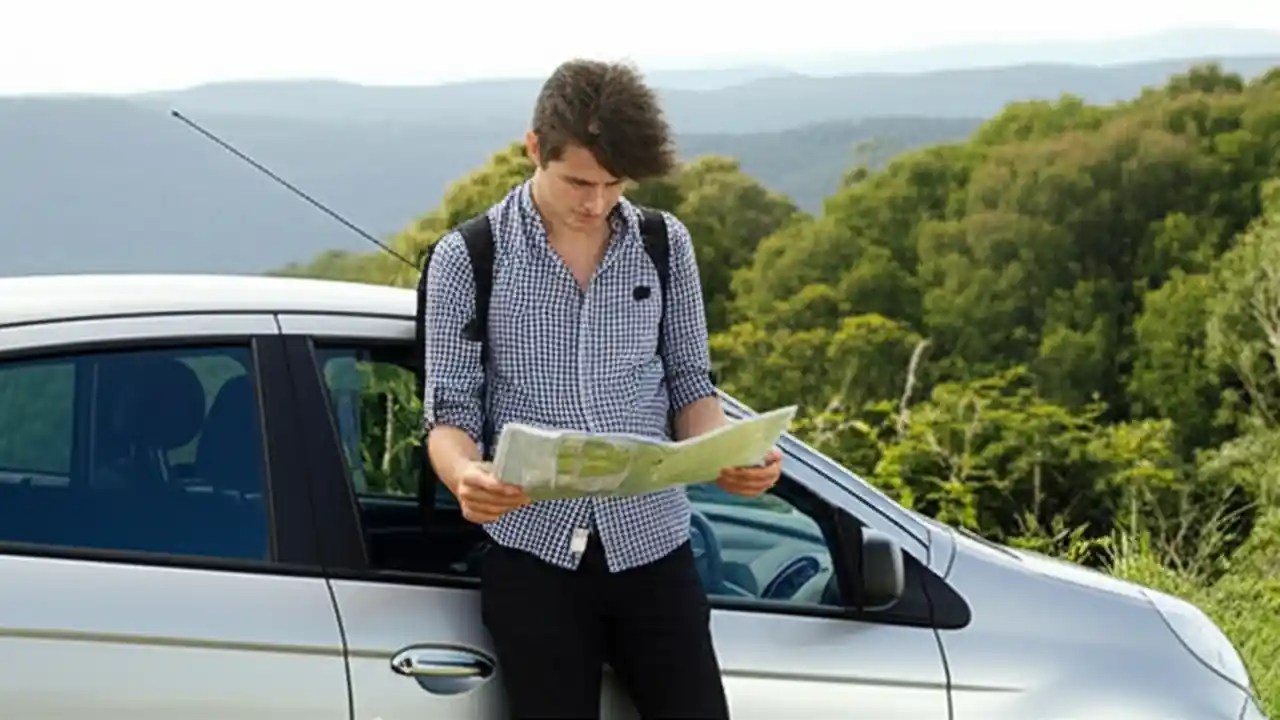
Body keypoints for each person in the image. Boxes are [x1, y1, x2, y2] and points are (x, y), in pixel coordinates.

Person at [422, 58, 783, 720]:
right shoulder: (468, 257)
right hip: (533, 559)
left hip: (655, 550)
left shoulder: (664, 244)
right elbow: (448, 411)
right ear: (535, 148)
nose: (595, 202)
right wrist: (463, 475)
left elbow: (689, 383)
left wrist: (727, 452)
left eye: (613, 184)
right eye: (578, 181)